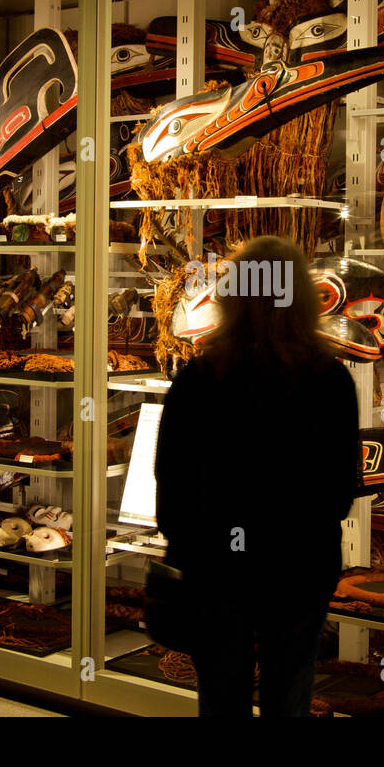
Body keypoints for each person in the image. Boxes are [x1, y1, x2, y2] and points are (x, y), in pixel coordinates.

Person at [154, 236, 362, 717]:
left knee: (221, 694)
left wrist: (192, 546)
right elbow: (339, 490)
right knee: (289, 689)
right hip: (299, 563)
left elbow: (172, 482)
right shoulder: (329, 381)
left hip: (215, 563)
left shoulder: (199, 378)